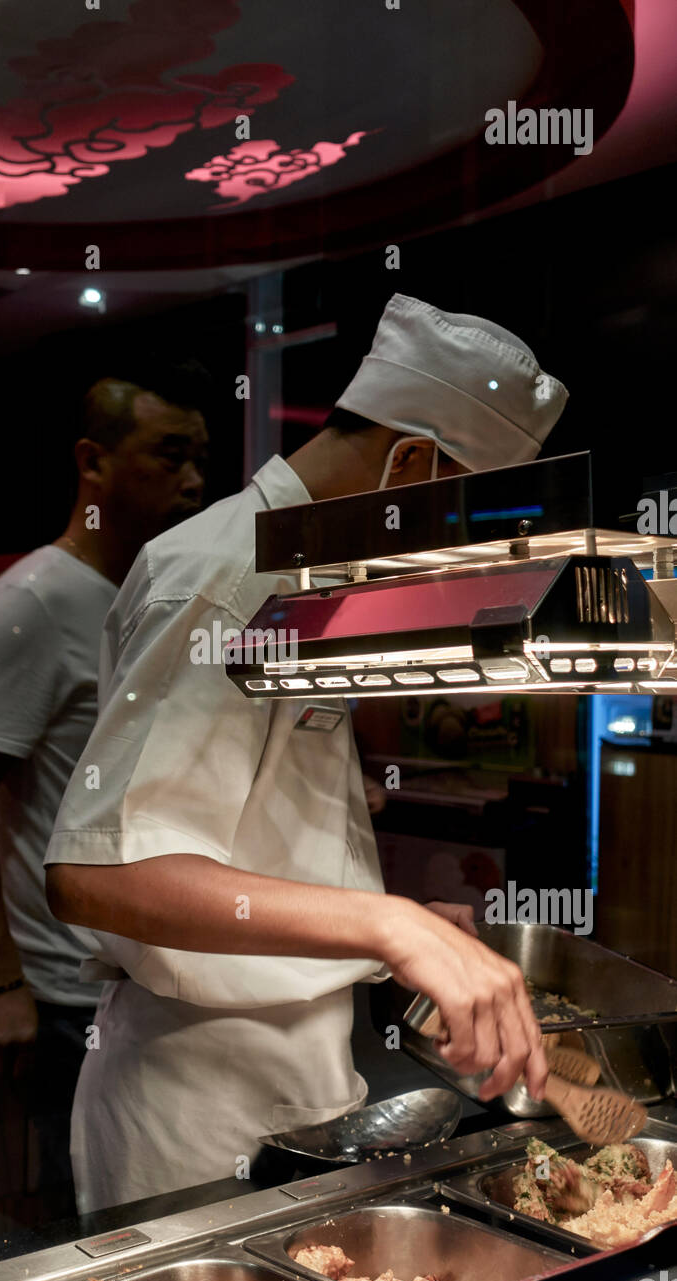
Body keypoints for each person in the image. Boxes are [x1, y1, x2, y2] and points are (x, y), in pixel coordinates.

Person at [45, 294, 568, 1212]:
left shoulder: (304, 577)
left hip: (297, 1076)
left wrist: (394, 920)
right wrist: (390, 925)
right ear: (409, 463)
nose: (460, 558)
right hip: (198, 1104)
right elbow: (97, 872)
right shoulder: (227, 574)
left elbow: (242, 834)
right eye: (461, 519)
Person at [0, 360, 208, 1215]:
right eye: (169, 455)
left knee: (133, 1211)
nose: (194, 479)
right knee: (62, 1218)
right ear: (93, 462)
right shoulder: (34, 603)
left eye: (200, 456)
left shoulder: (143, 597)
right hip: (58, 994)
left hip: (140, 977)